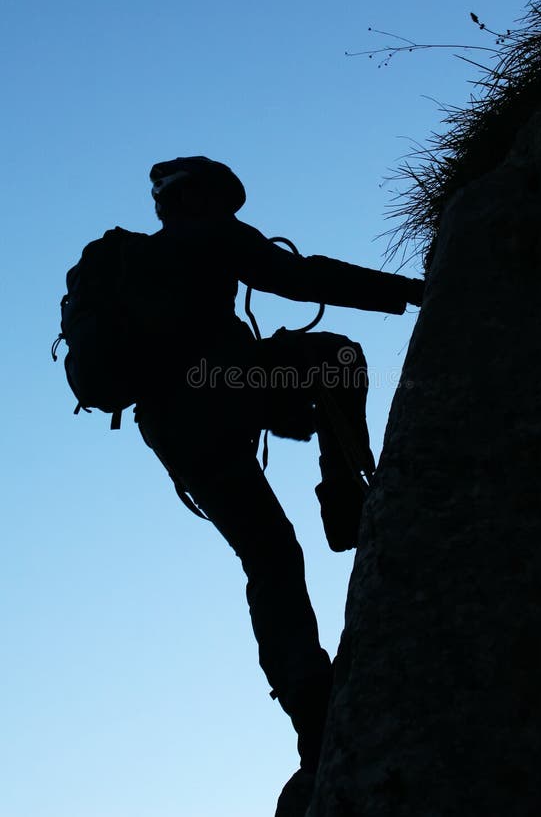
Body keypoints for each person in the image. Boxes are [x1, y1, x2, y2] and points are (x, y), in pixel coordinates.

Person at [131, 155, 424, 814]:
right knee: (333, 358)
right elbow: (295, 277)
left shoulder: (138, 263)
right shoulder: (212, 236)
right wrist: (405, 290)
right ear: (206, 200)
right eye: (226, 202)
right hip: (228, 391)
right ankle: (345, 500)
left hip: (179, 429)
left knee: (270, 560)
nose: (235, 215)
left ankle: (311, 719)